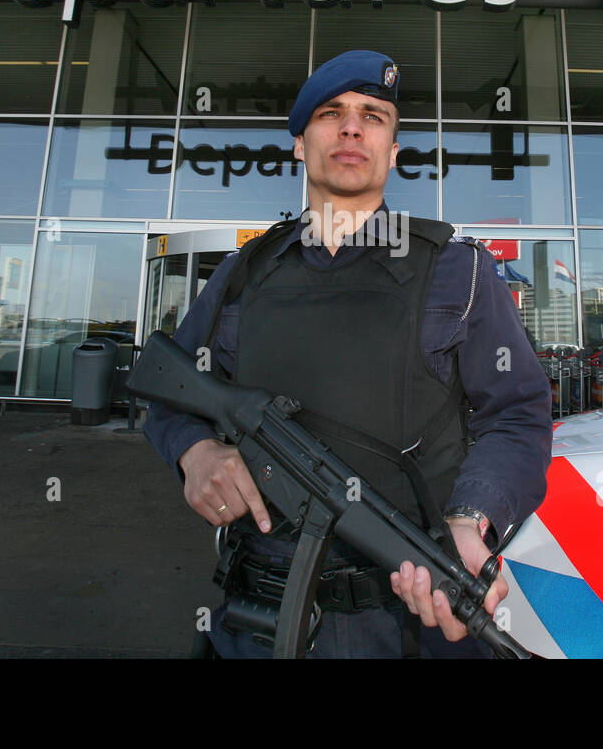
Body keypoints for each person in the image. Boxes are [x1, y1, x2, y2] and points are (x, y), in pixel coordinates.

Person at [143, 49, 552, 658]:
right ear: (300, 146)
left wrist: (472, 519)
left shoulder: (457, 270)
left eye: (373, 116)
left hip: (413, 616)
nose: (352, 127)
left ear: (392, 151)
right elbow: (165, 394)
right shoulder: (241, 274)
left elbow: (517, 413)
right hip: (261, 613)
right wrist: (196, 453)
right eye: (331, 114)